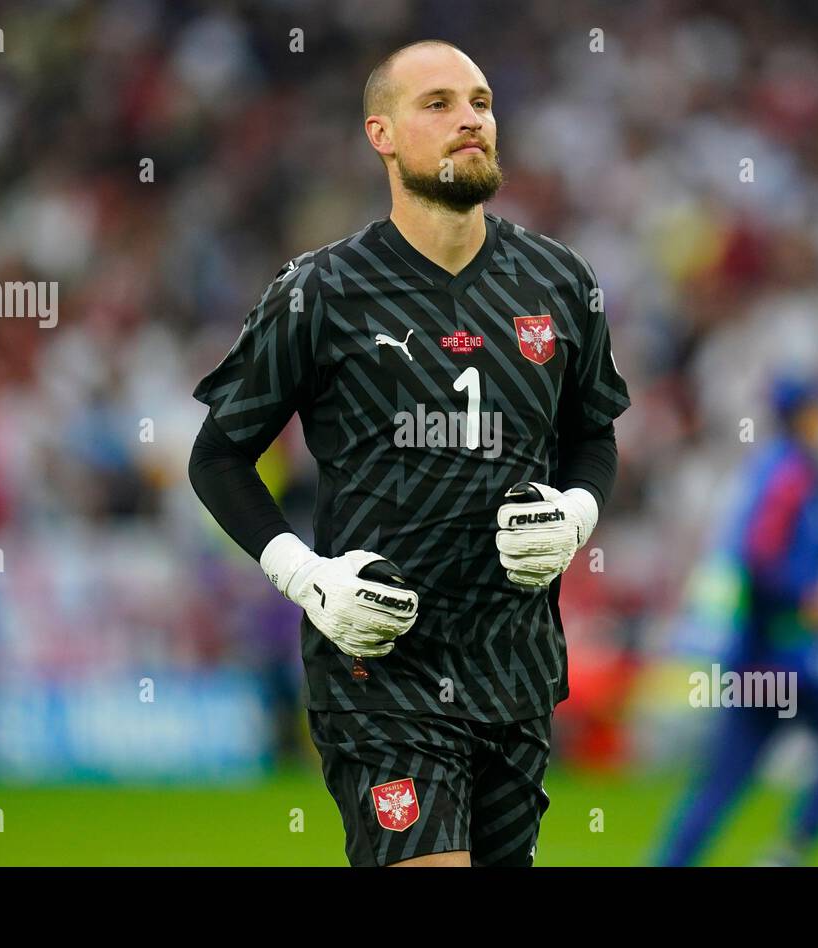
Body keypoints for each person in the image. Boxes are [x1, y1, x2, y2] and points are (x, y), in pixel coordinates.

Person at [187, 39, 630, 866]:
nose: (471, 120)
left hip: (516, 669)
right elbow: (217, 457)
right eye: (438, 104)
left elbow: (592, 436)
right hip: (379, 668)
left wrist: (574, 515)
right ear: (380, 134)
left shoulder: (561, 282)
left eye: (482, 102)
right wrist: (305, 575)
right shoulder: (320, 291)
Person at [653, 376, 818, 866]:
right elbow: (760, 555)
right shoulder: (792, 475)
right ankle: (790, 849)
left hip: (757, 652)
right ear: (806, 415)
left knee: (725, 777)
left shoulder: (773, 469)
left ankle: (672, 862)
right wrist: (806, 600)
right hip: (783, 651)